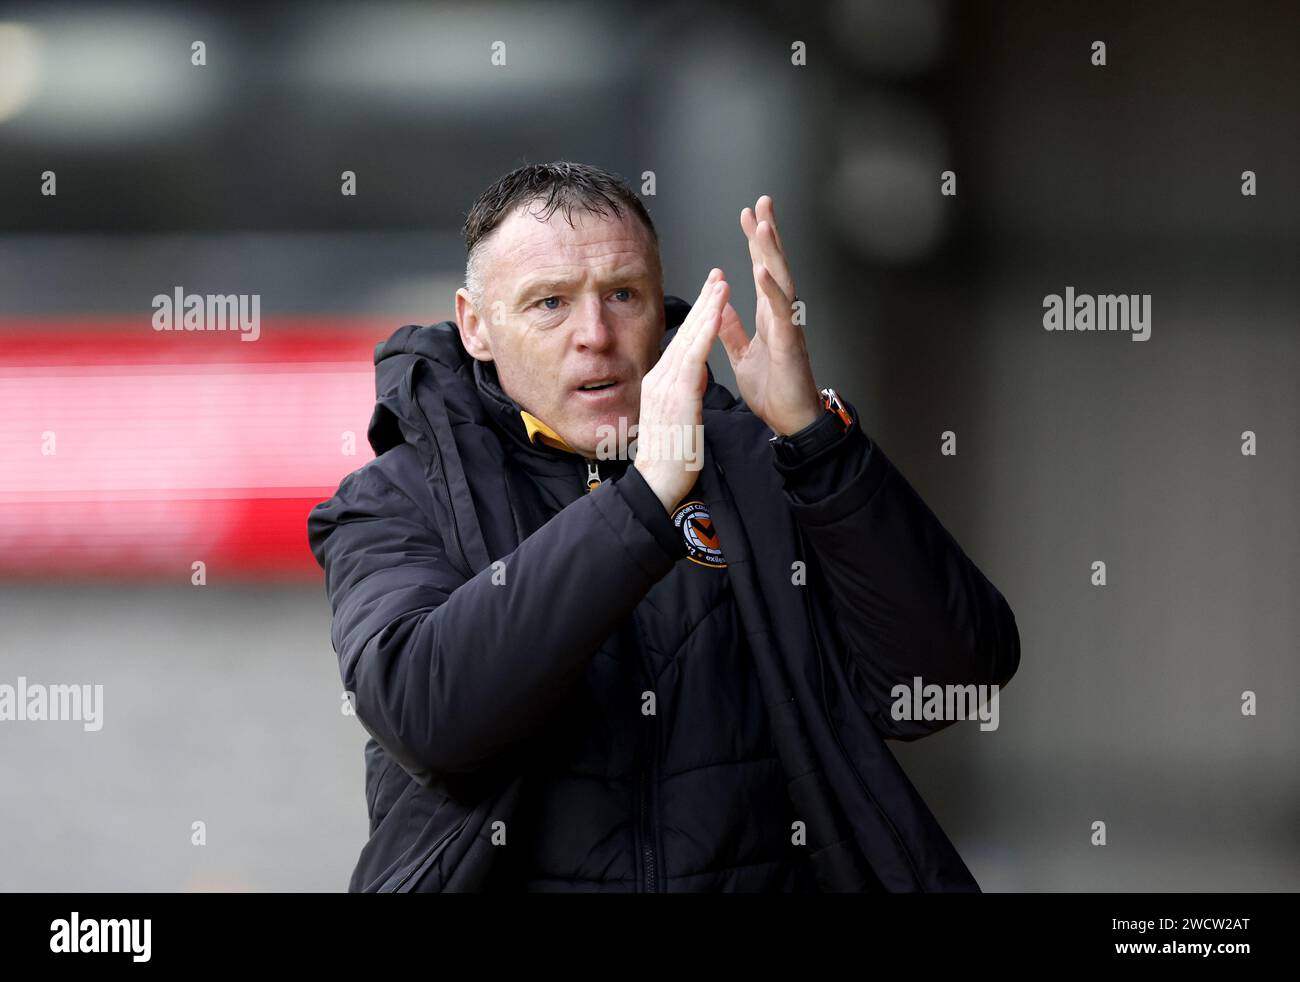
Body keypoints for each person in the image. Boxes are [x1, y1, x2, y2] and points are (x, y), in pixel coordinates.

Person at [307, 161, 1020, 892]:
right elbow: (431, 718)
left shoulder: (766, 461)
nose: (595, 334)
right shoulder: (393, 499)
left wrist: (816, 442)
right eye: (549, 303)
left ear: (662, 305)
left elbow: (952, 679)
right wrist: (644, 501)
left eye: (623, 294)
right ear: (476, 327)